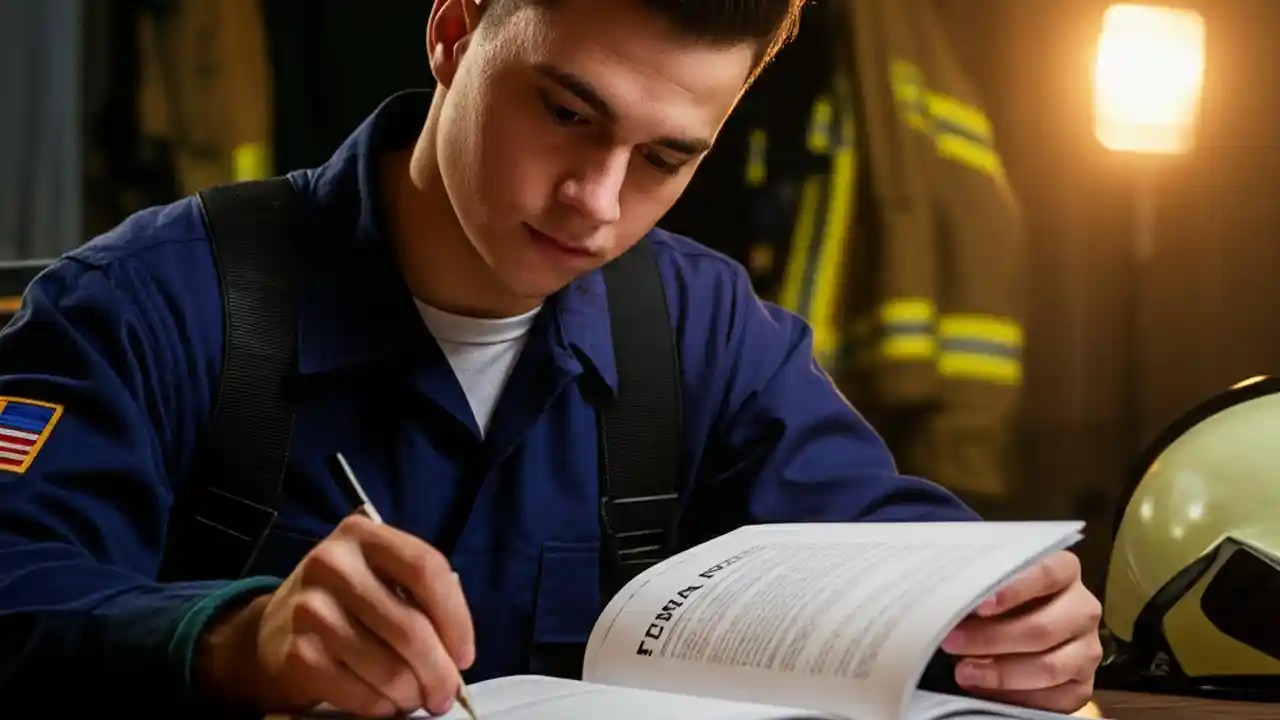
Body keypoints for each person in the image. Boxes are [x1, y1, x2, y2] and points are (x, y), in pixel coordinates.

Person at [0, 0, 1102, 716]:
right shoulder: (149, 304)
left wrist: (1005, 624)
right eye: (566, 113)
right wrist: (235, 641)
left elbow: (888, 560)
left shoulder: (705, 329)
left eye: (667, 158)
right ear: (451, 31)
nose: (596, 202)